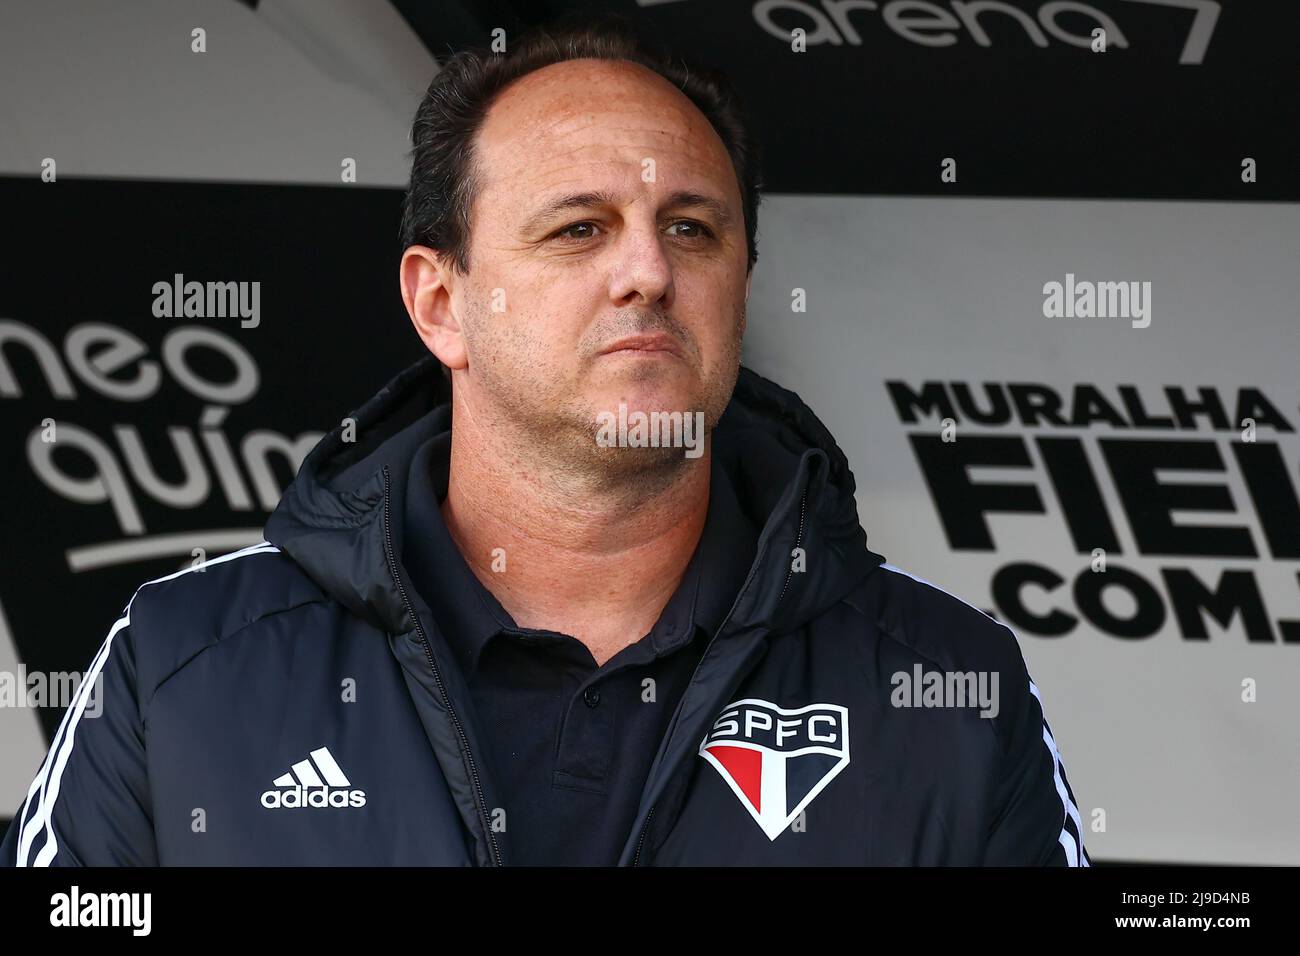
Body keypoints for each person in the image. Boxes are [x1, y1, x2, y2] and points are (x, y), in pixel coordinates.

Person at [1, 15, 1087, 866]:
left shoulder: (947, 683)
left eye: (692, 229)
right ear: (441, 304)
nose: (648, 272)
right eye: (578, 228)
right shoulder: (184, 662)